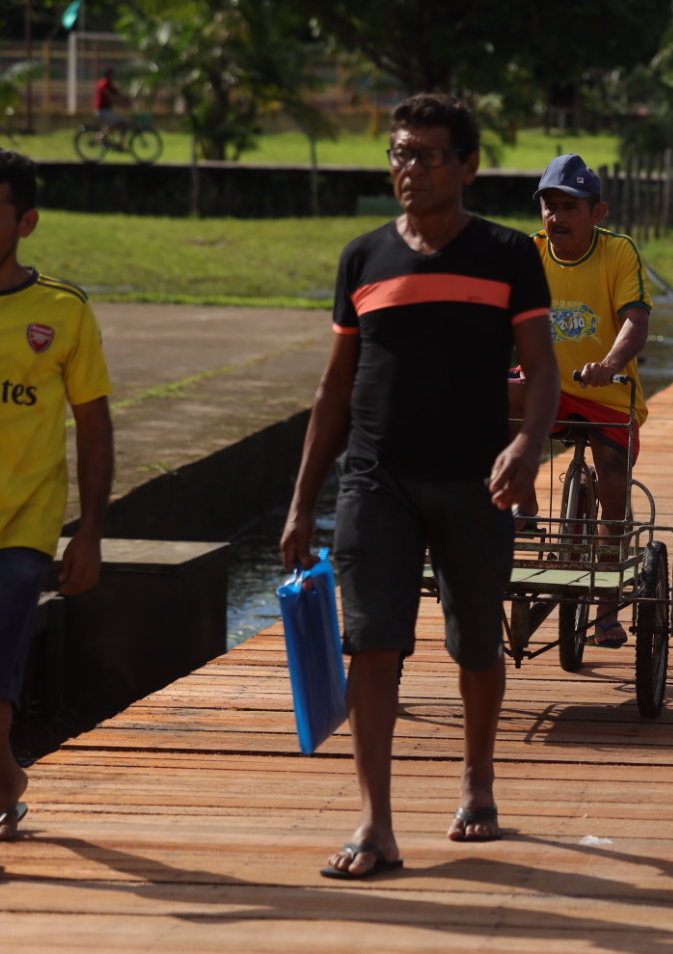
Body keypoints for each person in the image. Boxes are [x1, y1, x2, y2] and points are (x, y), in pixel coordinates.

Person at [279, 94, 560, 879]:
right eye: (401, 153)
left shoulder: (508, 254)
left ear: (468, 166)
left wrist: (527, 446)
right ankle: (375, 825)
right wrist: (303, 501)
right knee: (372, 642)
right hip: (376, 478)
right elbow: (334, 389)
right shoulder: (364, 258)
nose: (411, 169)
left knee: (476, 638)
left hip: (477, 478)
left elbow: (542, 370)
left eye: (430, 155)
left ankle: (477, 777)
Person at [0, 148, 114, 885]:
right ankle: (7, 783)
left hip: (18, 534)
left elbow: (94, 425)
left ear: (27, 222)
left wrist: (88, 531)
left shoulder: (63, 311)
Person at [508, 153, 651, 648]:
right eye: (549, 205)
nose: (557, 217)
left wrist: (609, 364)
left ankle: (606, 609)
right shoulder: (529, 253)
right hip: (545, 384)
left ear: (598, 213)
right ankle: (525, 511)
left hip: (605, 390)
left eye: (570, 207)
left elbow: (635, 321)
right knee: (500, 400)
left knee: (613, 482)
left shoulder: (619, 253)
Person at [93, 68, 126, 147]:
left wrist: (127, 101)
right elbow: (109, 96)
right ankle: (102, 135)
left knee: (119, 123)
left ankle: (118, 143)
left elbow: (118, 94)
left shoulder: (109, 84)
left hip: (106, 110)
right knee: (122, 123)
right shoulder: (104, 84)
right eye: (112, 74)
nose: (114, 76)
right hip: (103, 110)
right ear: (108, 75)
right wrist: (119, 103)